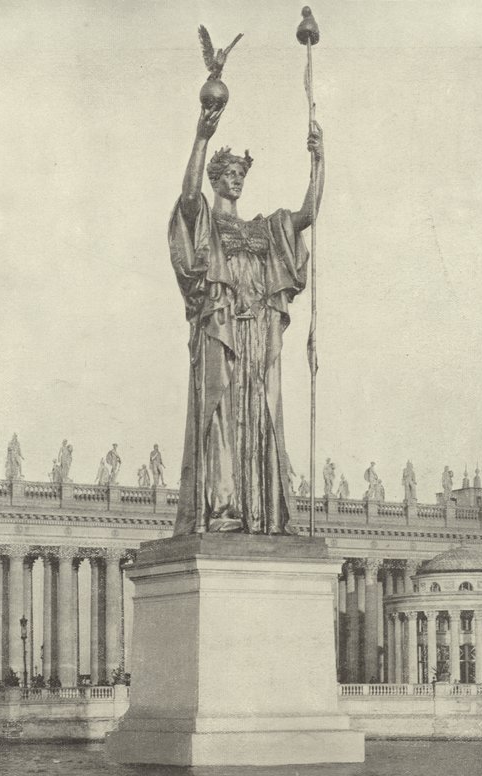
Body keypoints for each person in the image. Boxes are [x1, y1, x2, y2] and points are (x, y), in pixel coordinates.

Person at [169, 100, 324, 535]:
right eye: (229, 175)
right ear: (215, 179)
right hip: (221, 333)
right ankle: (223, 507)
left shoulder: (264, 229)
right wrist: (202, 136)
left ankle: (263, 511)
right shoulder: (206, 224)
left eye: (241, 175)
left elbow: (308, 214)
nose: (236, 181)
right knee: (220, 413)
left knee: (260, 416)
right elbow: (186, 199)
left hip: (257, 334)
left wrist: (319, 161)